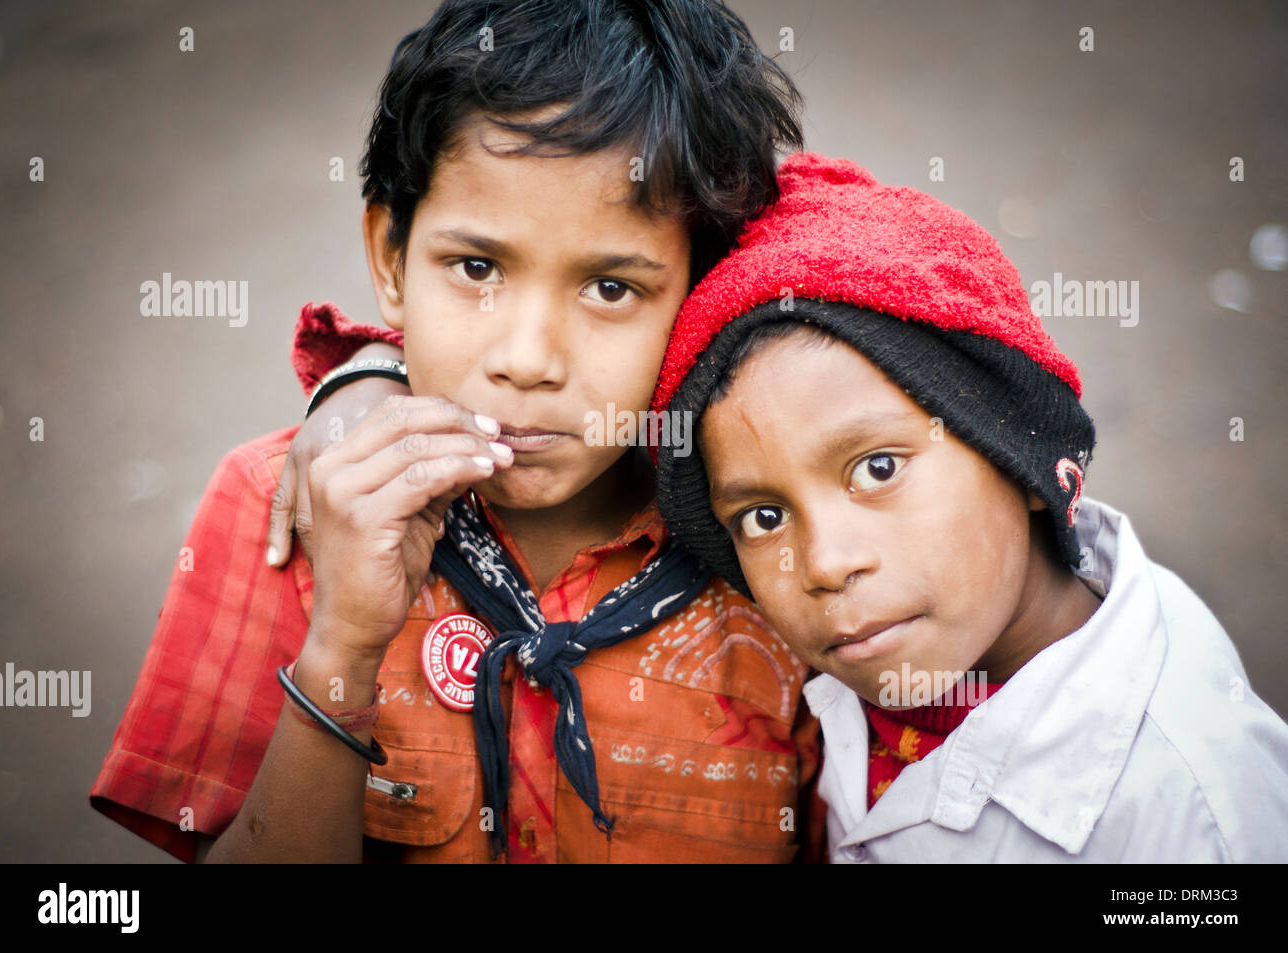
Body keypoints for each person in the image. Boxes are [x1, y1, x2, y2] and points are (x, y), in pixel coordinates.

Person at [89, 0, 825, 863]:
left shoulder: (790, 542)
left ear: (705, 288)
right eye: (476, 268)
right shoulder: (282, 511)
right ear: (390, 260)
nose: (527, 360)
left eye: (612, 288)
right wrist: (342, 650)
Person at [645, 151, 1288, 862]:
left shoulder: (1188, 817)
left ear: (1018, 451)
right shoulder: (850, 663)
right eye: (763, 517)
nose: (824, 563)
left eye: (878, 468)